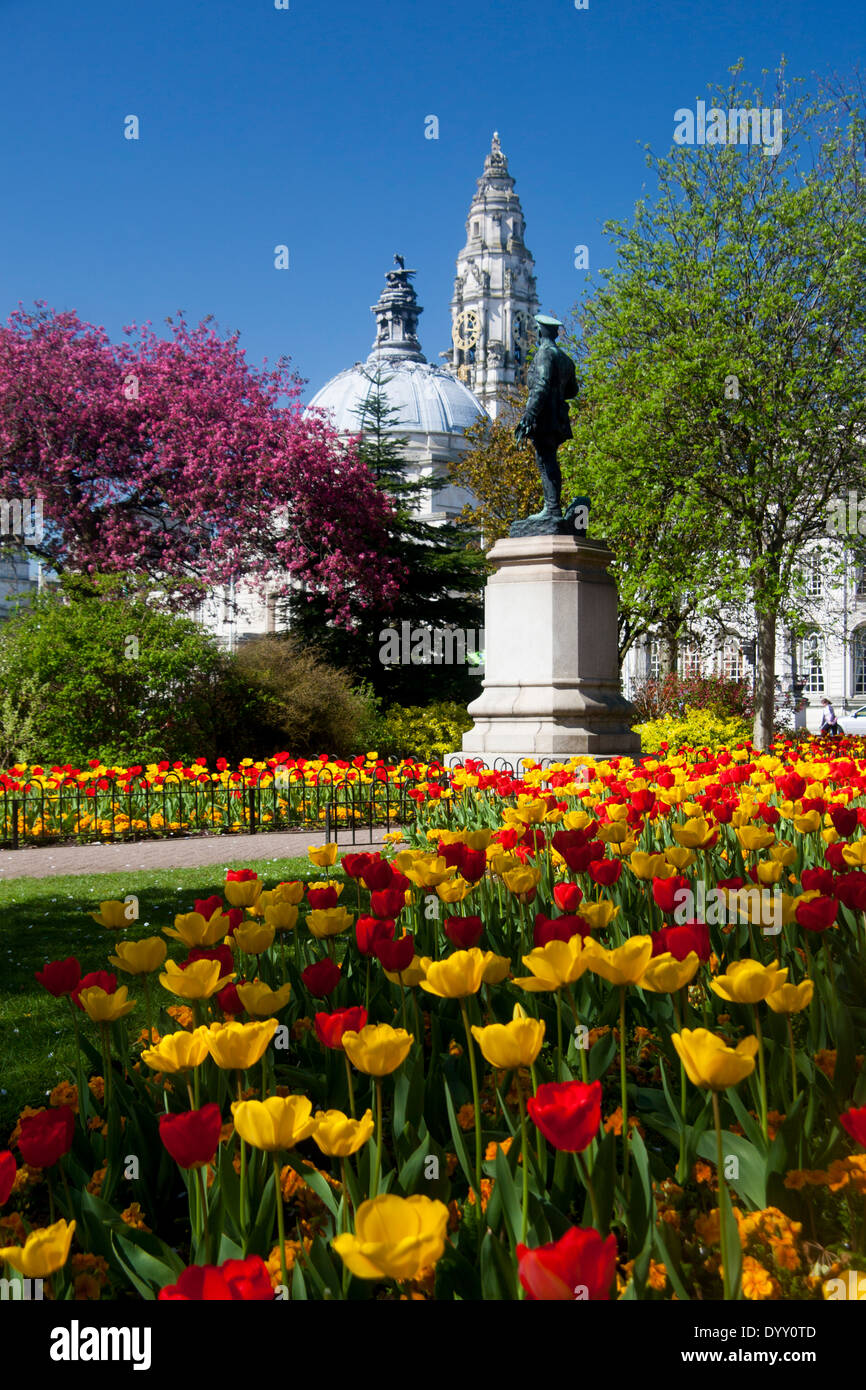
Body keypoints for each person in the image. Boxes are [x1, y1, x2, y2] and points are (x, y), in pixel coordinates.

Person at [513, 315, 578, 524]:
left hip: (545, 418)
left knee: (545, 461)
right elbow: (573, 390)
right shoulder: (565, 359)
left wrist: (529, 415)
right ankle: (552, 507)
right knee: (550, 459)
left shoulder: (544, 354)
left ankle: (552, 508)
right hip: (558, 417)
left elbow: (540, 386)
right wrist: (557, 393)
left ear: (540, 332)